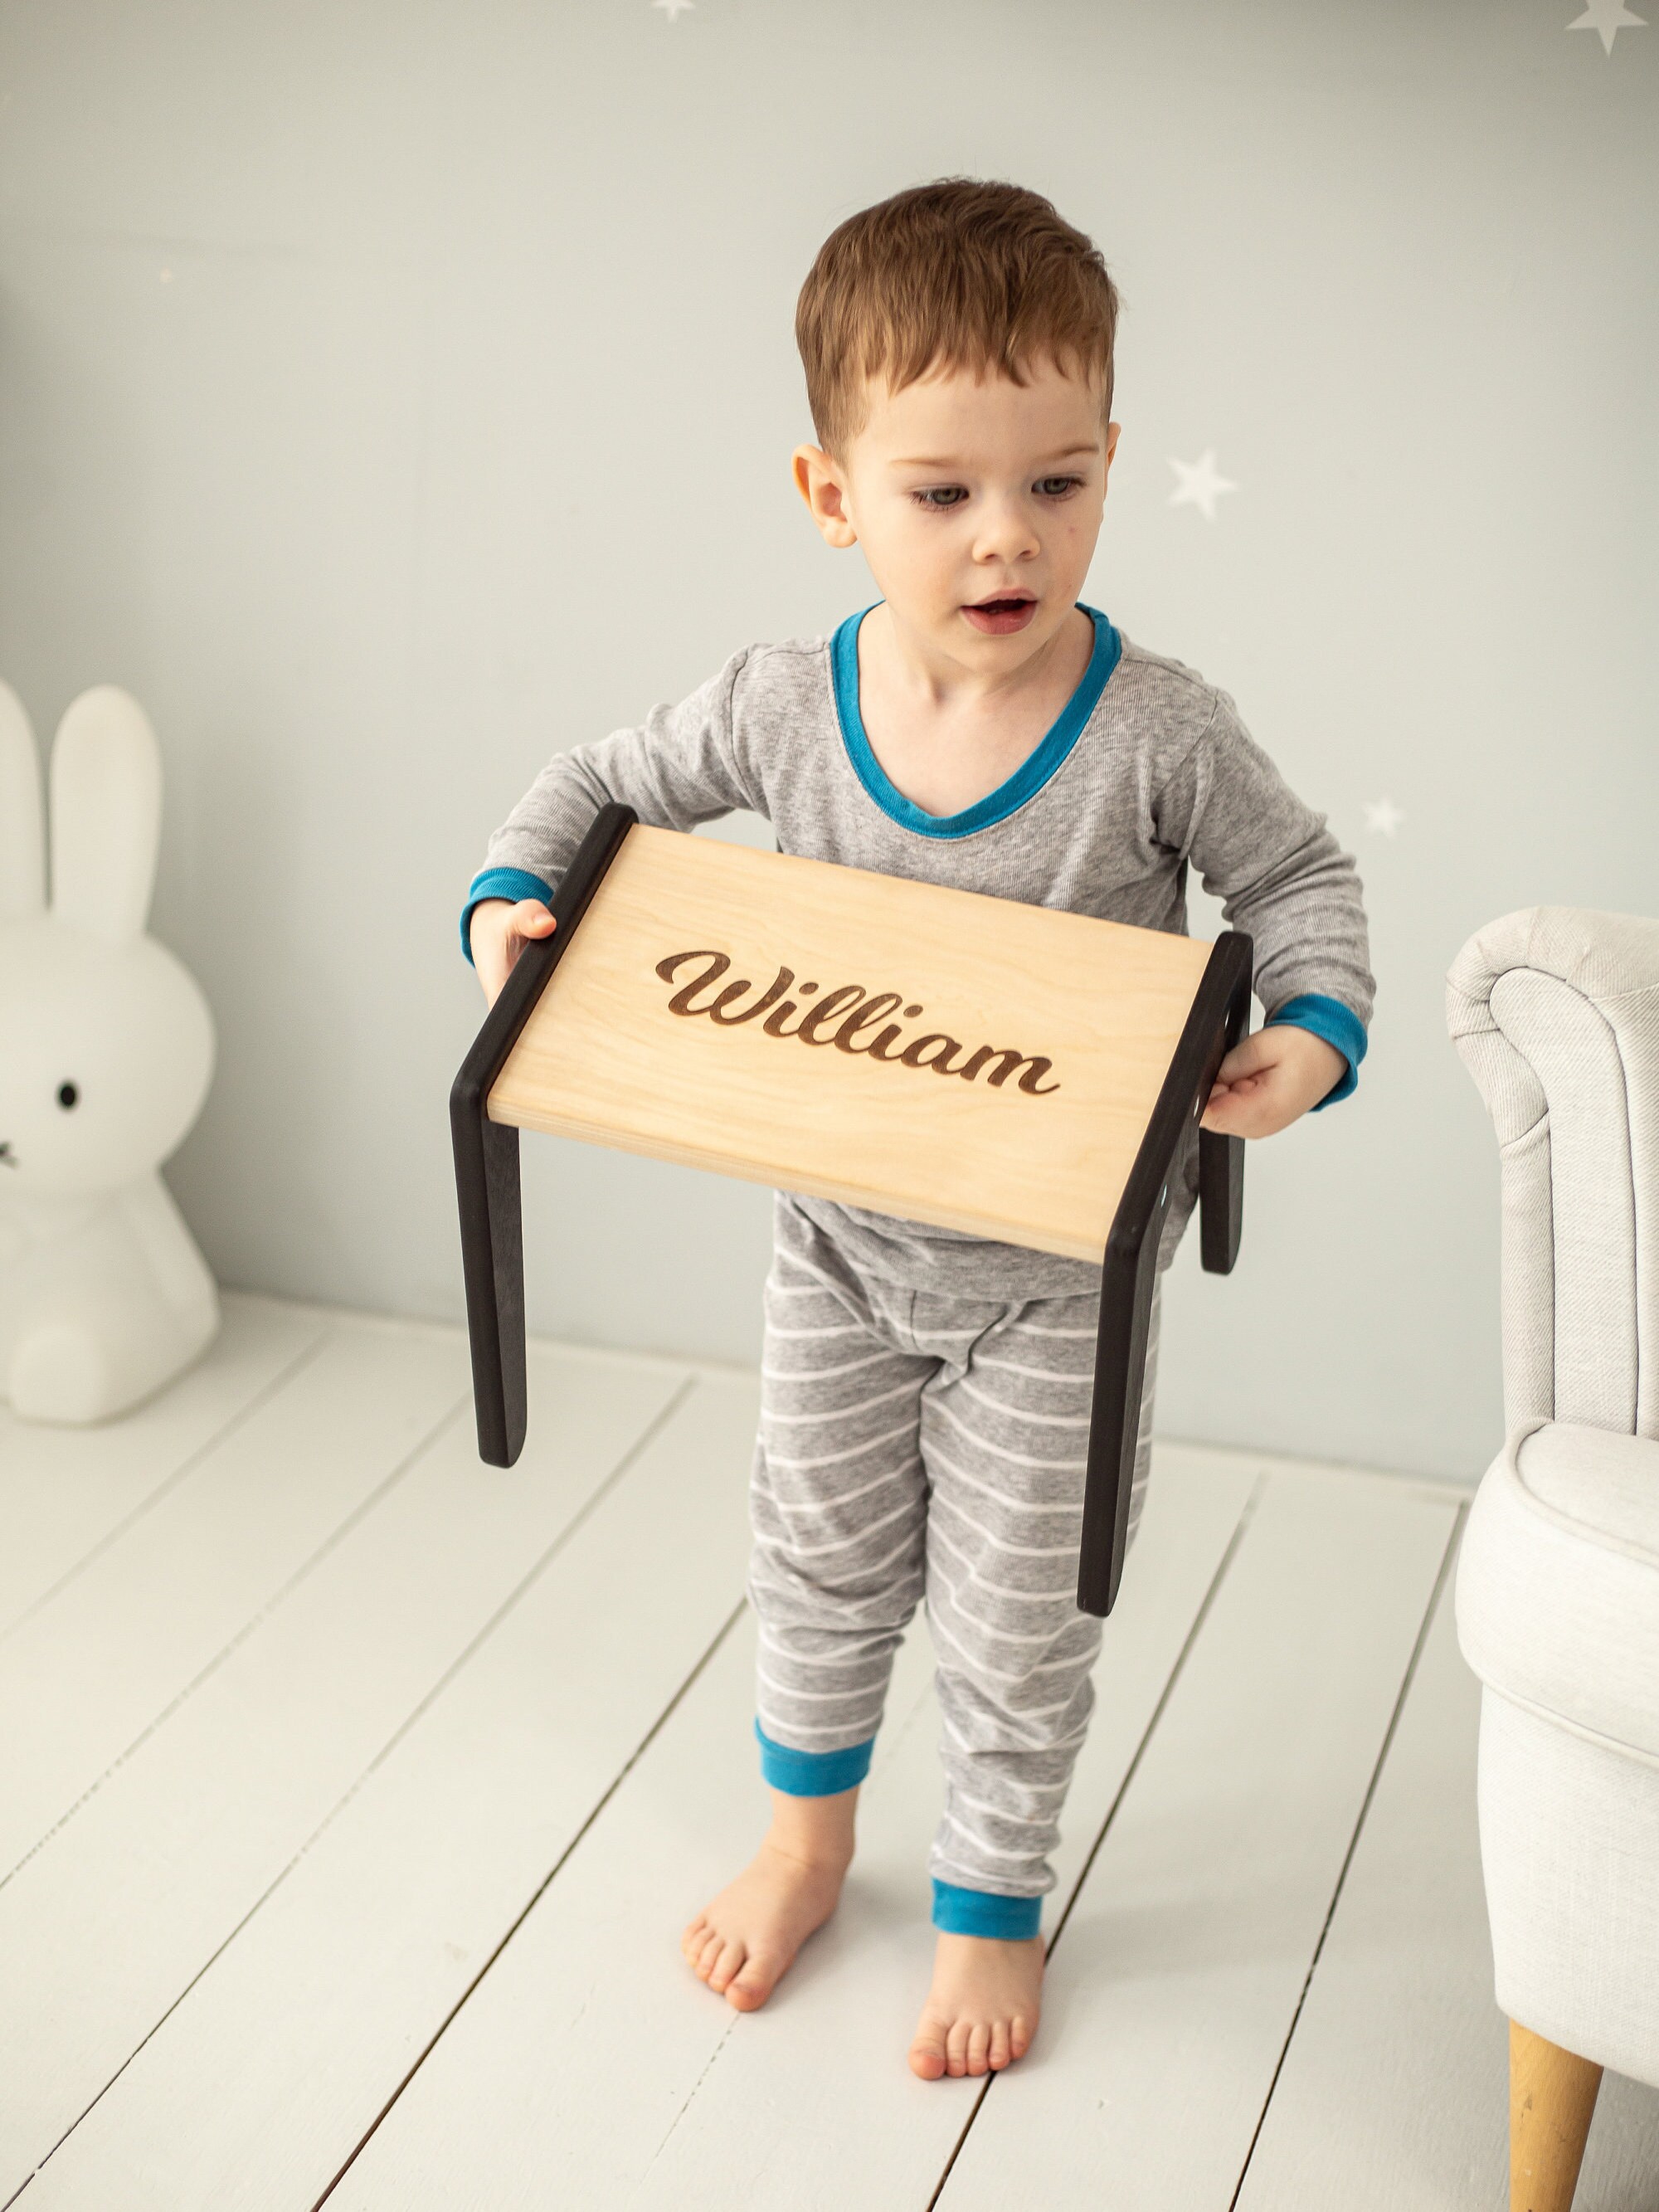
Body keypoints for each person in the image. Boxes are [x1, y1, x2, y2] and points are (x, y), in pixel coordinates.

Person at [461, 177, 1374, 2083]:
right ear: (833, 495)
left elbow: (1300, 882)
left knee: (1022, 1598)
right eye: (941, 490)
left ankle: (988, 1895)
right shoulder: (787, 708)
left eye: (1057, 481)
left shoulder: (1156, 735)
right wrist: (511, 906)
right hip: (837, 1238)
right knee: (814, 1550)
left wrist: (1300, 1040)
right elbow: (594, 784)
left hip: (1056, 1272)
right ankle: (806, 1838)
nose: (1002, 537)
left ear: (1113, 463)